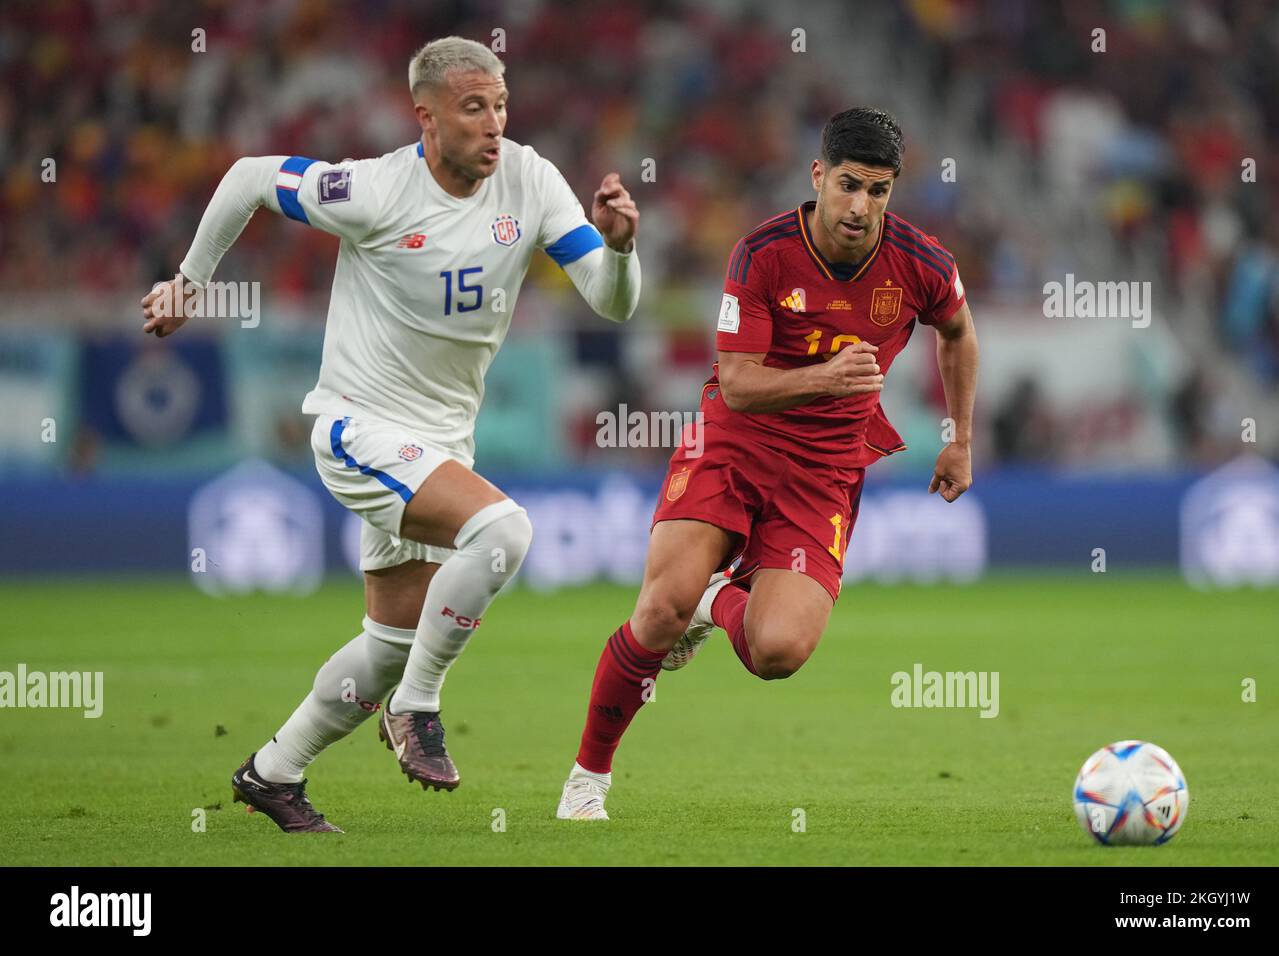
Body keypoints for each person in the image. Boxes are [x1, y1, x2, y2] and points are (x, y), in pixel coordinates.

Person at [142, 36, 641, 833]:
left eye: (500, 105)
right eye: (474, 108)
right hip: (358, 428)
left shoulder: (531, 178)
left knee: (388, 645)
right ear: (427, 117)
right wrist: (189, 283)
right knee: (504, 532)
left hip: (441, 447)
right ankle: (417, 710)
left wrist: (619, 249)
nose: (493, 124)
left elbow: (613, 302)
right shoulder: (373, 189)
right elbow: (246, 179)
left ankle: (272, 772)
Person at [555, 107, 978, 820]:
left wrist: (961, 436)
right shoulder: (761, 254)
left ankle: (718, 598)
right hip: (735, 444)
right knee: (658, 607)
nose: (861, 206)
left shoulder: (923, 263)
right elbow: (741, 382)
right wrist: (827, 377)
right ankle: (587, 779)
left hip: (826, 472)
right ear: (818, 176)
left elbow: (959, 333)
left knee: (778, 650)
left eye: (879, 191)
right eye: (849, 185)